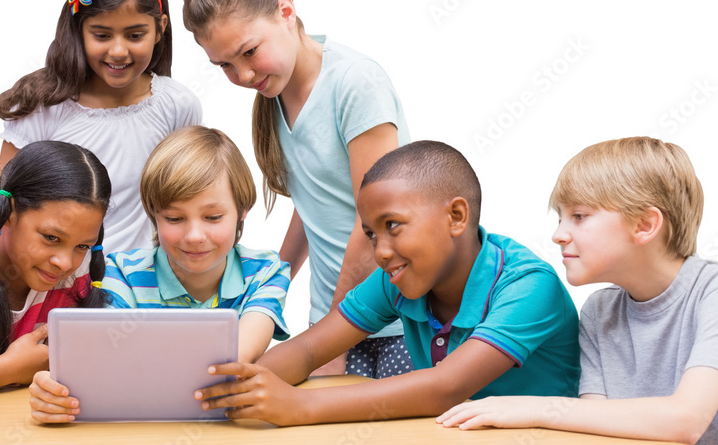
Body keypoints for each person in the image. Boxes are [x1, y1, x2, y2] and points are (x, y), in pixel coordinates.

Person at [191, 141, 580, 426]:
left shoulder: (528, 286)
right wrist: (235, 385)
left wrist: (300, 407)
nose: (380, 250)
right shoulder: (398, 280)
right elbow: (309, 350)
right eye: (372, 234)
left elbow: (444, 387)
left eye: (392, 226)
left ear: (457, 216)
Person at [437, 137, 718, 445]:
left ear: (645, 225)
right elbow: (593, 421)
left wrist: (534, 409)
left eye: (578, 216)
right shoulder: (598, 310)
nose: (559, 235)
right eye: (560, 218)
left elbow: (686, 421)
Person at [183, 0, 411, 378]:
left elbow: (375, 220)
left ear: (286, 12)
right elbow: (314, 204)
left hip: (398, 320)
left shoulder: (355, 84)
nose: (244, 74)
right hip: (333, 318)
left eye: (249, 52)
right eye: (225, 66)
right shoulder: (275, 96)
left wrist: (333, 341)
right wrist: (273, 283)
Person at [27, 126, 291, 423]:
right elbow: (105, 361)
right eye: (174, 218)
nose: (193, 235)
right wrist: (54, 389)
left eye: (213, 217)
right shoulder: (122, 271)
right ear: (153, 214)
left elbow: (236, 358)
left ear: (243, 209)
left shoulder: (266, 272)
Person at [0, 0, 201, 255]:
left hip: (138, 281)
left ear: (160, 29)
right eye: (102, 35)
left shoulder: (177, 105)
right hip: (52, 276)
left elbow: (184, 199)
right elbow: (4, 201)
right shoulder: (41, 104)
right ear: (79, 30)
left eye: (135, 35)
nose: (118, 51)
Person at [0, 141, 112, 389]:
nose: (64, 263)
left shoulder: (75, 281)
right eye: (51, 238)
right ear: (8, 214)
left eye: (82, 246)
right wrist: (9, 369)